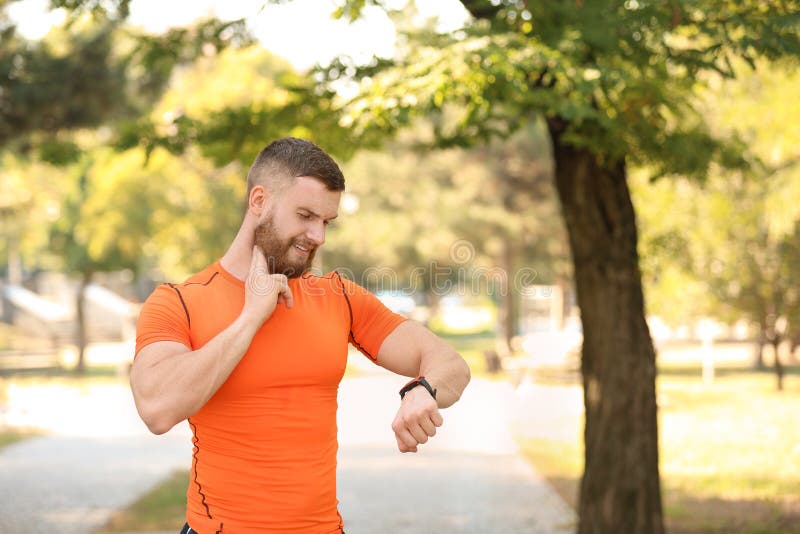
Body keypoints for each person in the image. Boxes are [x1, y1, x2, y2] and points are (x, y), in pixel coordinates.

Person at [130, 137, 471, 534]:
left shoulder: (337, 297)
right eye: (306, 215)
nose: (318, 236)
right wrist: (250, 318)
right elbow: (156, 409)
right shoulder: (178, 302)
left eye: (326, 221)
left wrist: (423, 388)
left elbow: (452, 364)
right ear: (259, 202)